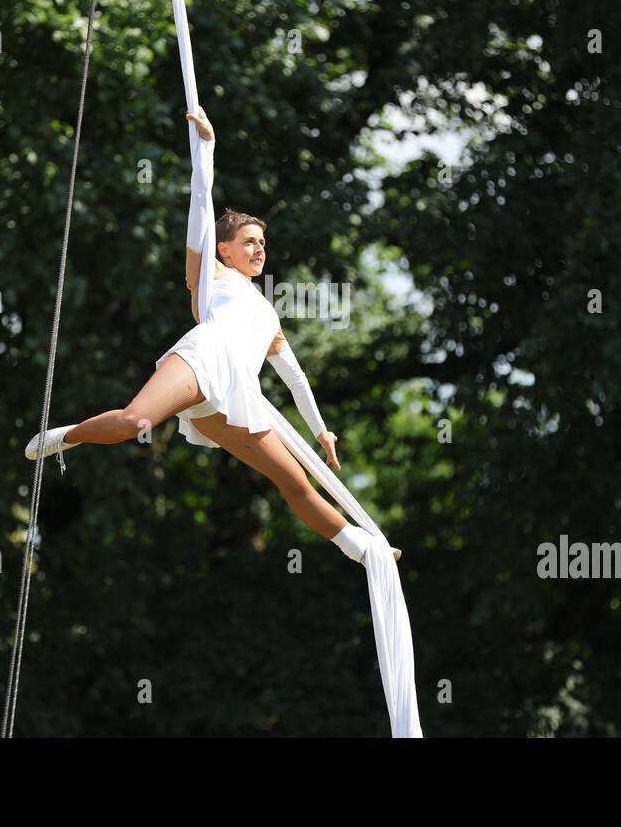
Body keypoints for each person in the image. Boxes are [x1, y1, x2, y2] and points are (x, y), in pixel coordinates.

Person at [24, 105, 397, 564]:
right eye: (249, 242)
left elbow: (295, 379)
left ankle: (363, 550)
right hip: (203, 360)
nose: (259, 248)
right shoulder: (212, 277)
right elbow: (200, 202)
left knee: (295, 482)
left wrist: (322, 432)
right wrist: (207, 148)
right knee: (131, 423)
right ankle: (67, 437)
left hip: (236, 395)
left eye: (263, 243)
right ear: (224, 249)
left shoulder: (267, 315)